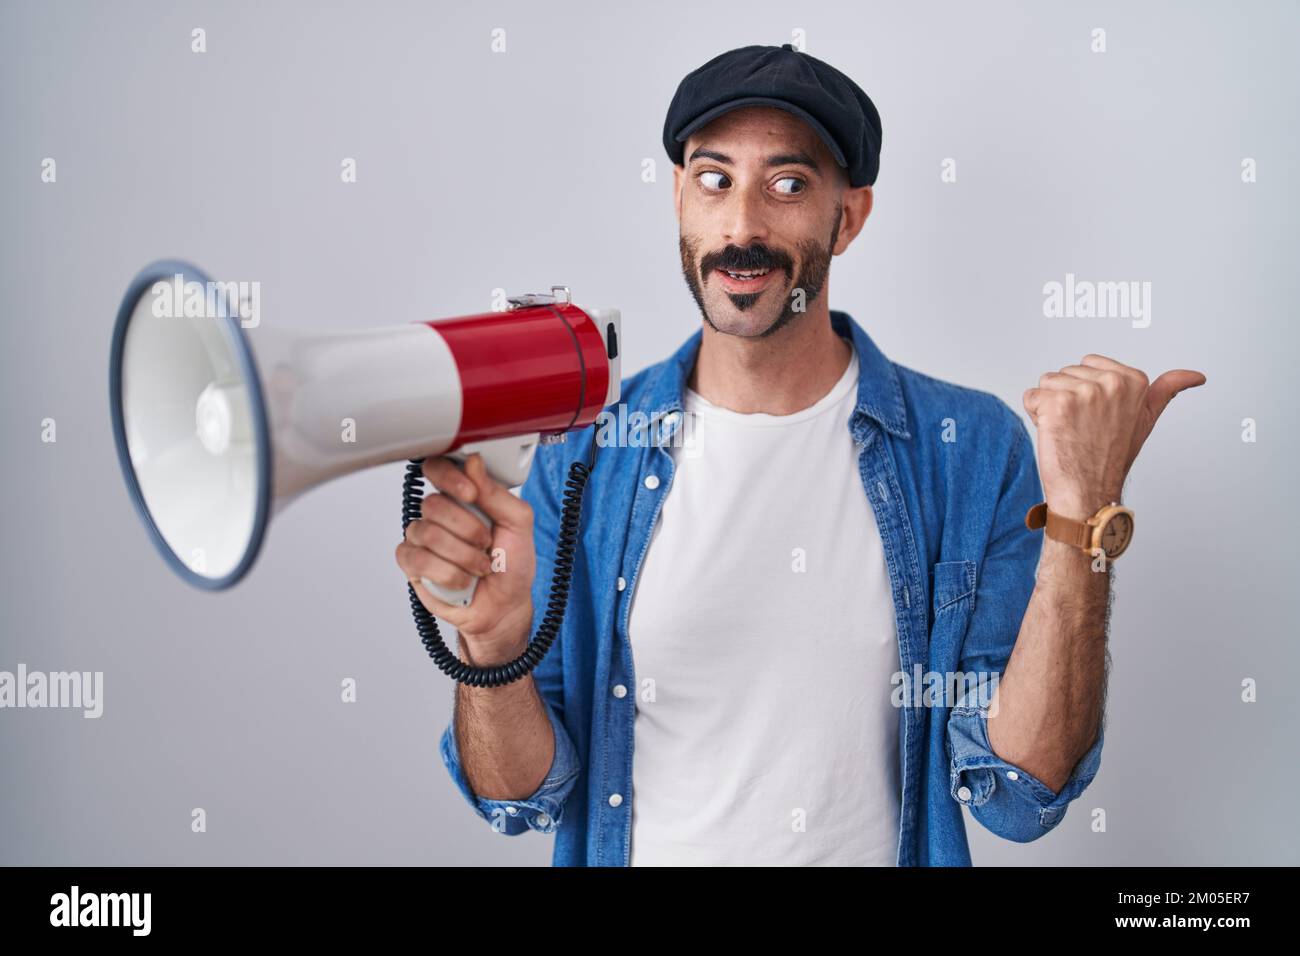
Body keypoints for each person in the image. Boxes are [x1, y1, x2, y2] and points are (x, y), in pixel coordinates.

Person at [395, 43, 1206, 866]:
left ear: (847, 217)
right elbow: (519, 797)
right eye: (715, 179)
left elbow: (1022, 792)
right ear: (680, 195)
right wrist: (492, 649)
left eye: (788, 185)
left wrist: (1081, 513)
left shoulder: (972, 448)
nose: (742, 225)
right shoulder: (586, 449)